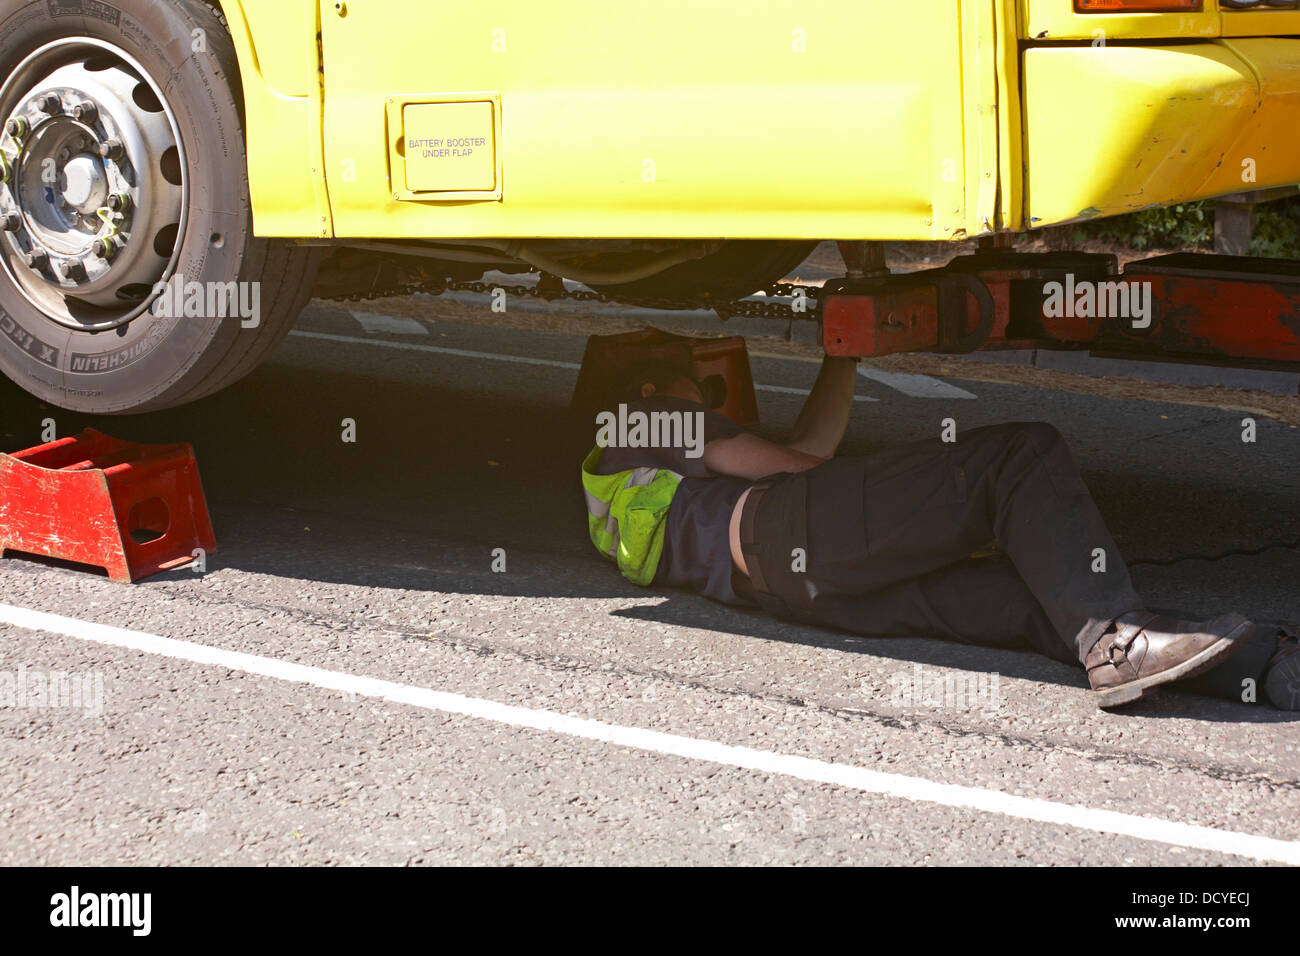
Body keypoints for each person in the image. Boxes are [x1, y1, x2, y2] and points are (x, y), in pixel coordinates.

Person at [580, 353, 1299, 711]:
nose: (711, 405)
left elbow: (806, 458)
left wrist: (843, 358)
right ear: (649, 393)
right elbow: (802, 463)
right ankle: (1121, 640)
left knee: (1039, 601)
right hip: (788, 529)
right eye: (697, 393)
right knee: (1017, 457)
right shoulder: (650, 423)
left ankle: (1263, 665)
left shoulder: (608, 491)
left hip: (804, 592)